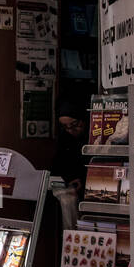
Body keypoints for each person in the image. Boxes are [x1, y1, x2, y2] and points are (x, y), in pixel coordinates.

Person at [51, 96, 89, 230]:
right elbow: (58, 166)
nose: (70, 130)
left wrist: (83, 181)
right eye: (65, 127)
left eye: (74, 125)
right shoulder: (65, 139)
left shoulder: (93, 136)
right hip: (72, 185)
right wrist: (70, 179)